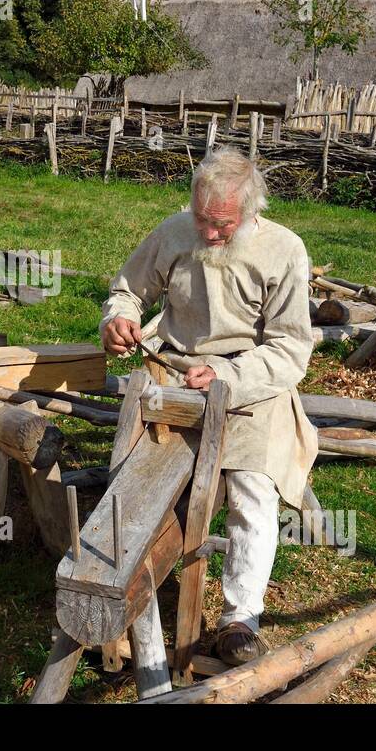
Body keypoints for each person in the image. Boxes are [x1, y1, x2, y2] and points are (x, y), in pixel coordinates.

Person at [100, 146, 318, 665]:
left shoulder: (283, 249)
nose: (210, 233)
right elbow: (128, 290)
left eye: (222, 224)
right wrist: (118, 318)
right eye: (202, 219)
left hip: (250, 385)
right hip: (173, 372)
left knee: (251, 490)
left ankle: (240, 618)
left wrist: (228, 375)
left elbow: (290, 349)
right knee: (138, 481)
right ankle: (120, 592)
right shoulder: (175, 231)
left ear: (249, 212)